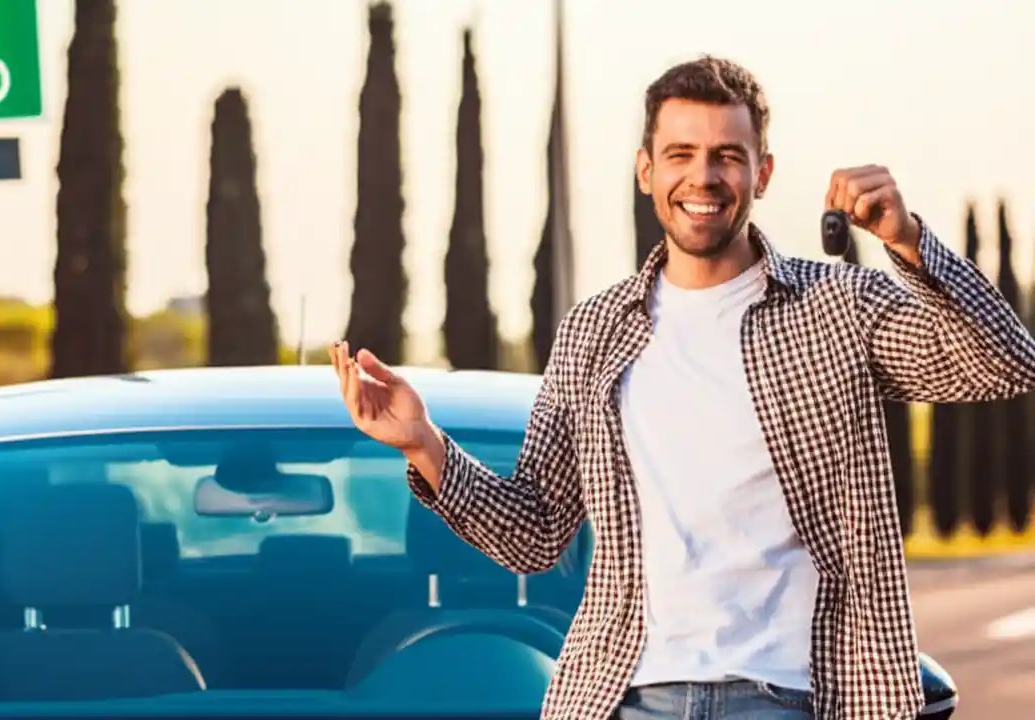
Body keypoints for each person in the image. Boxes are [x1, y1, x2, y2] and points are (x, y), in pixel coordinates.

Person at [328, 55, 1035, 720]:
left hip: (786, 695)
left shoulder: (838, 309)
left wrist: (908, 241)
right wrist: (424, 445)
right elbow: (537, 532)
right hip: (626, 695)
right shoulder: (592, 332)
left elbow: (1007, 363)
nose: (704, 177)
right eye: (681, 155)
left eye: (728, 155)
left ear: (763, 173)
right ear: (646, 171)